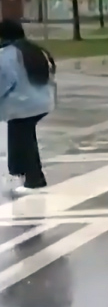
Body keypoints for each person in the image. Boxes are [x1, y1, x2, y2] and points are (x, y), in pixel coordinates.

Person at [0, 20, 55, 195]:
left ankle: (34, 178)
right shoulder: (36, 50)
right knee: (21, 133)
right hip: (42, 101)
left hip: (21, 104)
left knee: (23, 137)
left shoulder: (7, 55)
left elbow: (4, 81)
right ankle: (19, 171)